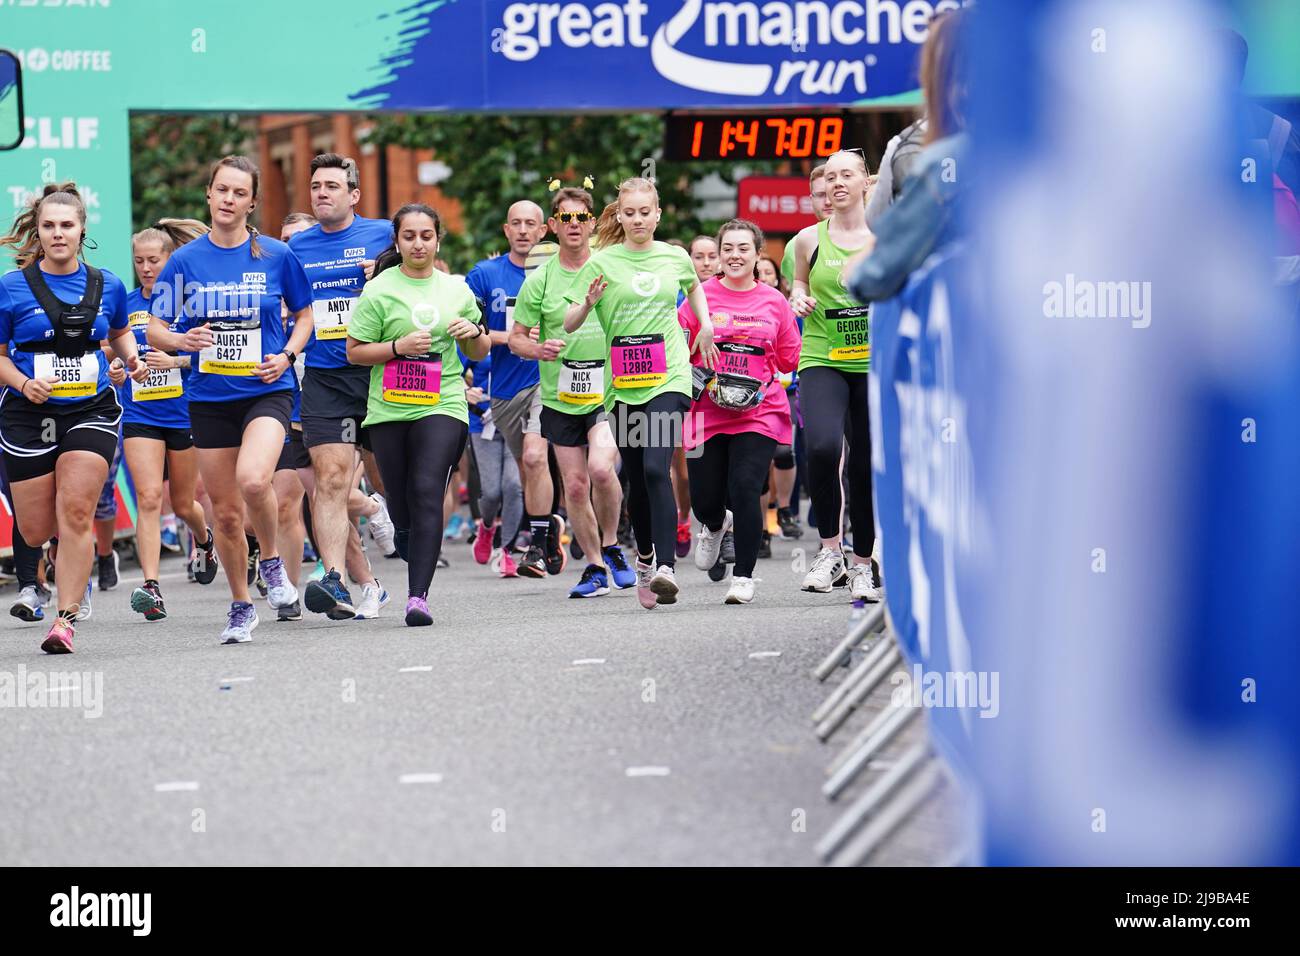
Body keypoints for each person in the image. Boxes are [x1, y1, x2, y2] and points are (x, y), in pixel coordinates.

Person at [147, 155, 315, 644]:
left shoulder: (277, 257)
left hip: (266, 387)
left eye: (239, 193)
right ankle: (241, 604)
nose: (228, 200)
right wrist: (182, 342)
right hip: (208, 395)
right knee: (223, 512)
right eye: (222, 190)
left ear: (252, 202)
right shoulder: (185, 261)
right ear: (209, 194)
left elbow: (305, 317)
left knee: (254, 479)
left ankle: (273, 563)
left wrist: (286, 355)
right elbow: (157, 327)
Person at [0, 182, 149, 653]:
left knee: (77, 511)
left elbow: (122, 333)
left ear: (82, 228)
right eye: (49, 226)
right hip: (29, 412)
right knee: (36, 529)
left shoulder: (108, 284)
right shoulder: (10, 287)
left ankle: (64, 620)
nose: (58, 233)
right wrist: (23, 383)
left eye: (67, 225)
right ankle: (51, 557)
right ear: (38, 231)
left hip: (91, 408)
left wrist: (134, 358)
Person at [564, 177, 717, 608]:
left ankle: (666, 566)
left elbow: (694, 287)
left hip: (669, 375)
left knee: (656, 467)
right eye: (629, 213)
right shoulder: (603, 262)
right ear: (620, 215)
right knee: (635, 477)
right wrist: (589, 303)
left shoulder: (674, 256)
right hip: (623, 386)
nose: (637, 219)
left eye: (645, 212)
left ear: (657, 214)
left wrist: (703, 323)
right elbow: (570, 323)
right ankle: (645, 556)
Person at [346, 203, 490, 626]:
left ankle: (417, 597)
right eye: (409, 236)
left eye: (426, 235)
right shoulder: (378, 290)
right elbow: (354, 351)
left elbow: (479, 351)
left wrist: (474, 334)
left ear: (437, 240)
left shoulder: (456, 290)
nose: (418, 243)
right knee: (403, 502)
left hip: (443, 402)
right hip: (389, 409)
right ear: (397, 241)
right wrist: (397, 348)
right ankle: (407, 536)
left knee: (428, 488)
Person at [510, 185, 635, 598]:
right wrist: (538, 348)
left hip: (608, 392)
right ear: (553, 226)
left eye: (582, 217)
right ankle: (596, 566)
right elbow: (516, 338)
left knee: (602, 470)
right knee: (576, 486)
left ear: (593, 222)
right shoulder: (540, 279)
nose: (575, 225)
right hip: (560, 395)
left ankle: (614, 543)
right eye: (566, 218)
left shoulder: (611, 267)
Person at [288, 154, 396, 621]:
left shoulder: (383, 235)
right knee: (329, 480)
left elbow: (423, 280)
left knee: (395, 476)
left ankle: (402, 524)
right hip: (326, 376)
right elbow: (287, 309)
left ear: (353, 194)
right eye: (315, 186)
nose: (322, 193)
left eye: (332, 185)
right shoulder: (295, 250)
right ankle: (334, 577)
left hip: (381, 373)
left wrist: (386, 275)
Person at [680, 220, 801, 604]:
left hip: (759, 410)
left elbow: (788, 358)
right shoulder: (699, 297)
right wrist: (695, 339)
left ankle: (744, 576)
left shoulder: (773, 301)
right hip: (706, 412)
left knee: (747, 487)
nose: (734, 255)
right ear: (718, 254)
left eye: (743, 248)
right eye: (727, 248)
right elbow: (676, 350)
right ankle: (715, 525)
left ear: (757, 254)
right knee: (705, 499)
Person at [790, 150, 880, 601]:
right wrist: (798, 297)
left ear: (866, 181)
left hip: (875, 362)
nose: (837, 182)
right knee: (822, 447)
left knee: (864, 465)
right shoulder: (807, 239)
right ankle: (830, 551)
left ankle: (863, 562)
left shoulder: (885, 236)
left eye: (847, 174)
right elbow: (799, 284)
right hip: (823, 355)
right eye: (829, 176)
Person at [122, 218, 219, 622]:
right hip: (140, 412)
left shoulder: (190, 302)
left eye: (154, 260)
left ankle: (204, 539)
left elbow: (211, 353)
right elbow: (111, 352)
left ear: (170, 260)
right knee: (148, 499)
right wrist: (119, 367)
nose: (147, 268)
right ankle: (151, 588)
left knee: (183, 504)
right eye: (140, 261)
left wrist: (176, 359)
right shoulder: (125, 305)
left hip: (183, 411)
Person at [466, 201, 562, 578]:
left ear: (543, 232)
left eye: (531, 225)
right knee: (521, 471)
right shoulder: (484, 273)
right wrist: (511, 337)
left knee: (536, 460)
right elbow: (466, 328)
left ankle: (533, 541)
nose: (523, 231)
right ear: (506, 230)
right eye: (516, 224)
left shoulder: (559, 273)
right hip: (502, 390)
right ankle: (544, 528)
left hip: (548, 380)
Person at [463, 352, 521, 577]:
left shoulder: (526, 330)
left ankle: (506, 550)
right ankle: (486, 527)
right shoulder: (479, 335)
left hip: (516, 420)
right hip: (483, 422)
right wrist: (465, 391)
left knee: (513, 486)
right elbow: (450, 369)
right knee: (492, 492)